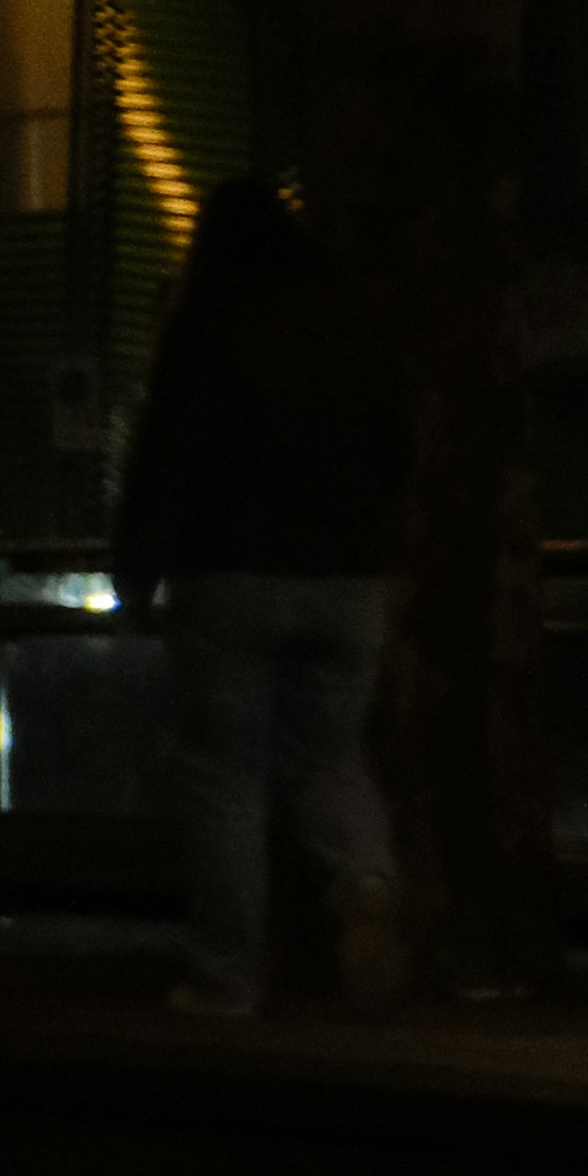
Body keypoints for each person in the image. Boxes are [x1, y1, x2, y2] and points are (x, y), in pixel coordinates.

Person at [109, 177, 409, 1014]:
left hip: (230, 575)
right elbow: (397, 447)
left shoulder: (210, 322)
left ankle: (229, 974)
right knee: (330, 757)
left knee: (225, 777)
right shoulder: (356, 325)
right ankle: (365, 876)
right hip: (348, 578)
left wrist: (137, 569)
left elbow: (169, 454)